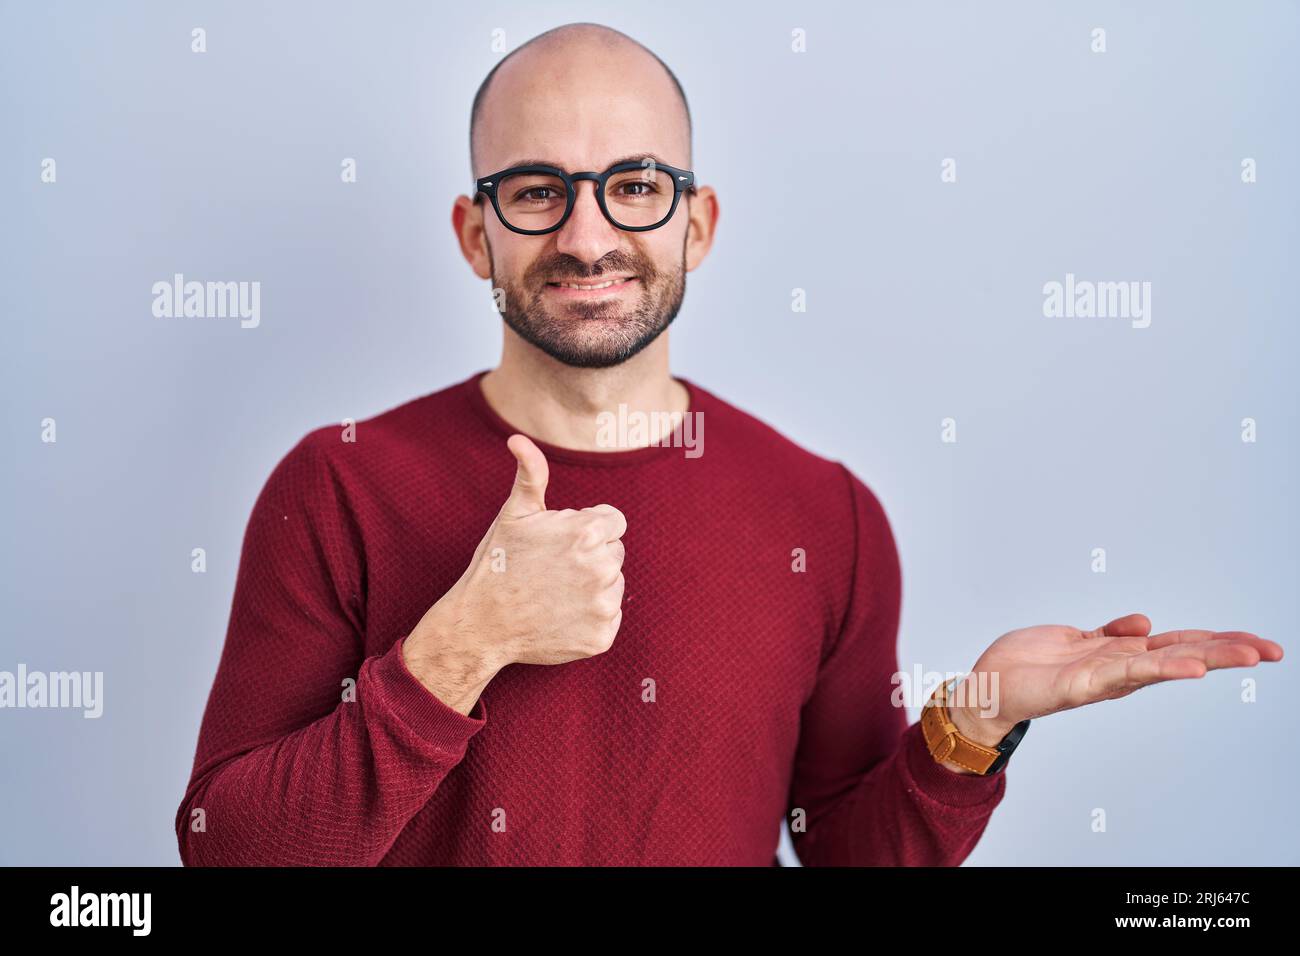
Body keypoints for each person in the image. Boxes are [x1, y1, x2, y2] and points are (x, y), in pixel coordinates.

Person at [175, 22, 1281, 866]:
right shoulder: (339, 481)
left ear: (695, 226)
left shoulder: (825, 514)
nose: (588, 233)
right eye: (535, 190)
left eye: (636, 186)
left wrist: (972, 724)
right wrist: (461, 644)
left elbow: (848, 846)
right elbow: (223, 844)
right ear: (477, 236)